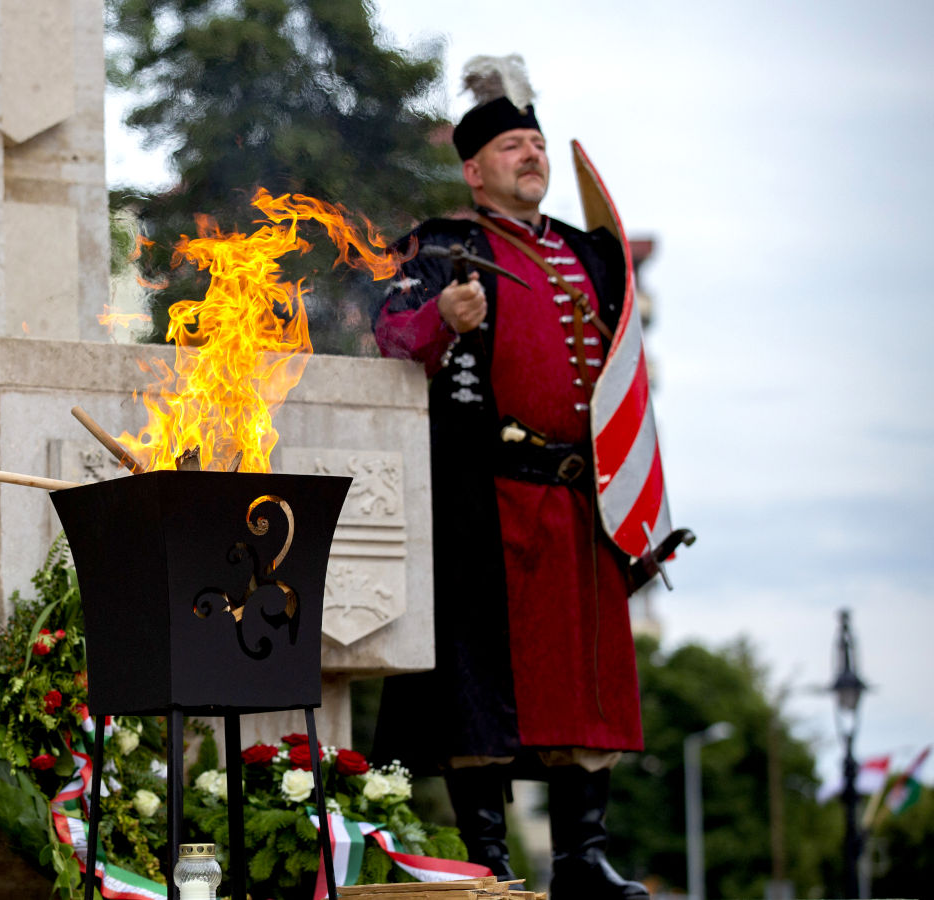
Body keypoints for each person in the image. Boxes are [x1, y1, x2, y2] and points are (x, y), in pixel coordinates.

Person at [369, 55, 650, 900]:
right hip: (482, 499)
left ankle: (580, 859)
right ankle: (487, 859)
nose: (531, 155)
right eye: (512, 147)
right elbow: (390, 340)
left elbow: (627, 368)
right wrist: (441, 319)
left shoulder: (588, 258)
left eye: (536, 144)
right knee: (478, 685)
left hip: (577, 496)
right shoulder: (441, 246)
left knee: (583, 684)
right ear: (473, 169)